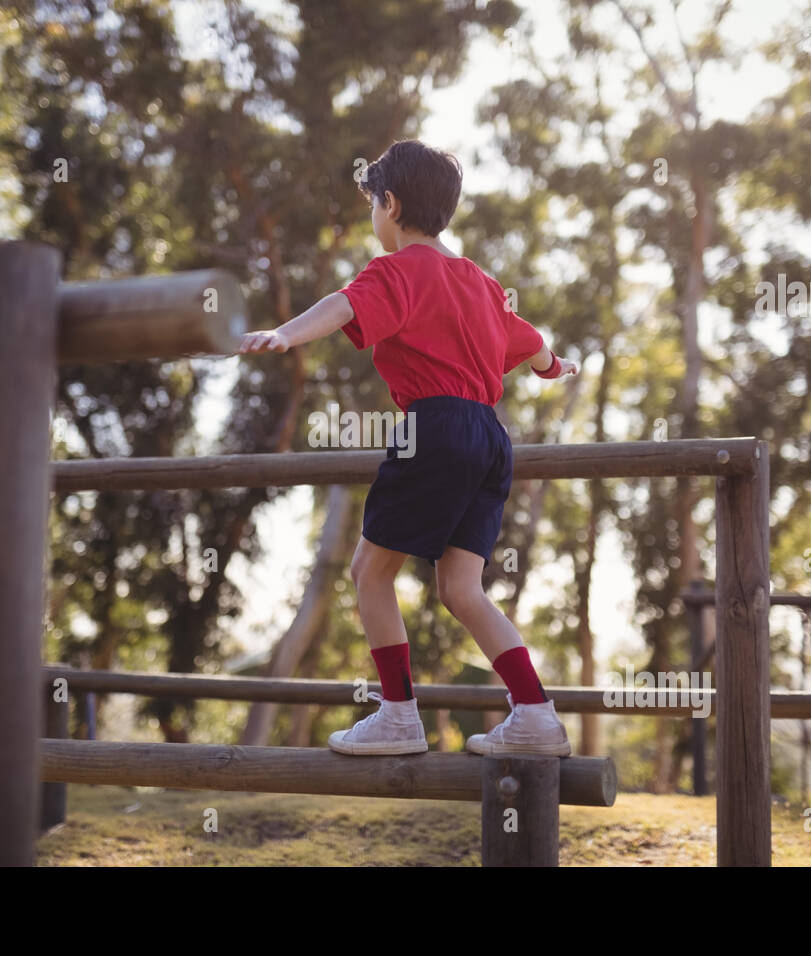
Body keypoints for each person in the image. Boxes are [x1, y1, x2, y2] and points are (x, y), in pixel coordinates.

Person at [238, 140, 577, 757]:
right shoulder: (479, 280)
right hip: (490, 438)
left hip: (435, 429)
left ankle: (397, 714)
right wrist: (557, 368)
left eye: (372, 202)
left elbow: (342, 307)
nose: (373, 215)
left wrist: (284, 335)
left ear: (389, 204)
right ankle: (536, 714)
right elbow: (530, 345)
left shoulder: (393, 271)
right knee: (461, 588)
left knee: (370, 570)